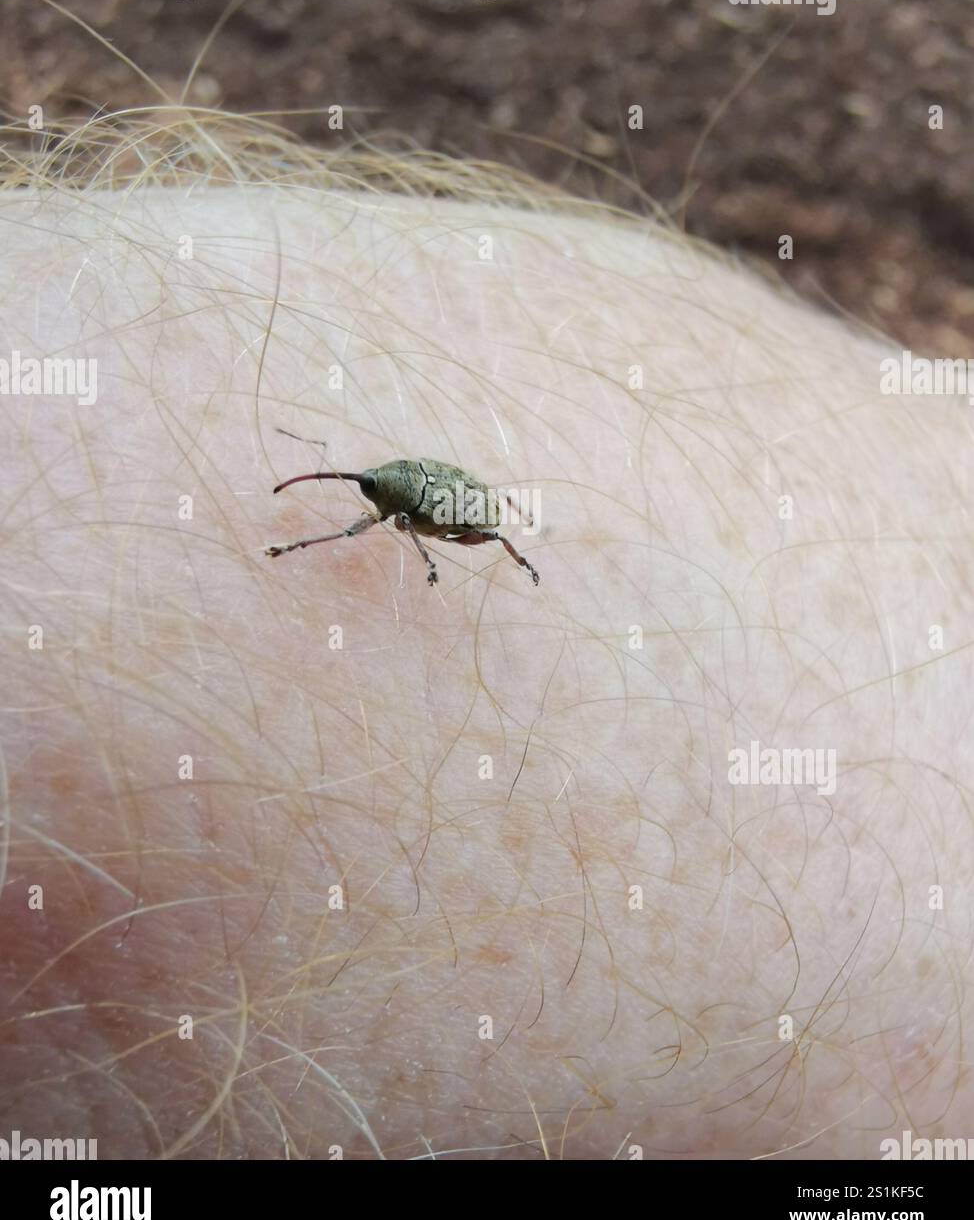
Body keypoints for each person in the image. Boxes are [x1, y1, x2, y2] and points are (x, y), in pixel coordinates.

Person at [1, 113, 971, 1160]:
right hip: (454, 503)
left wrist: (449, 552)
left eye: (365, 489)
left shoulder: (428, 513)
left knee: (419, 537)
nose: (360, 499)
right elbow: (383, 496)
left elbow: (440, 508)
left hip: (466, 510)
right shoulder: (389, 493)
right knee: (380, 526)